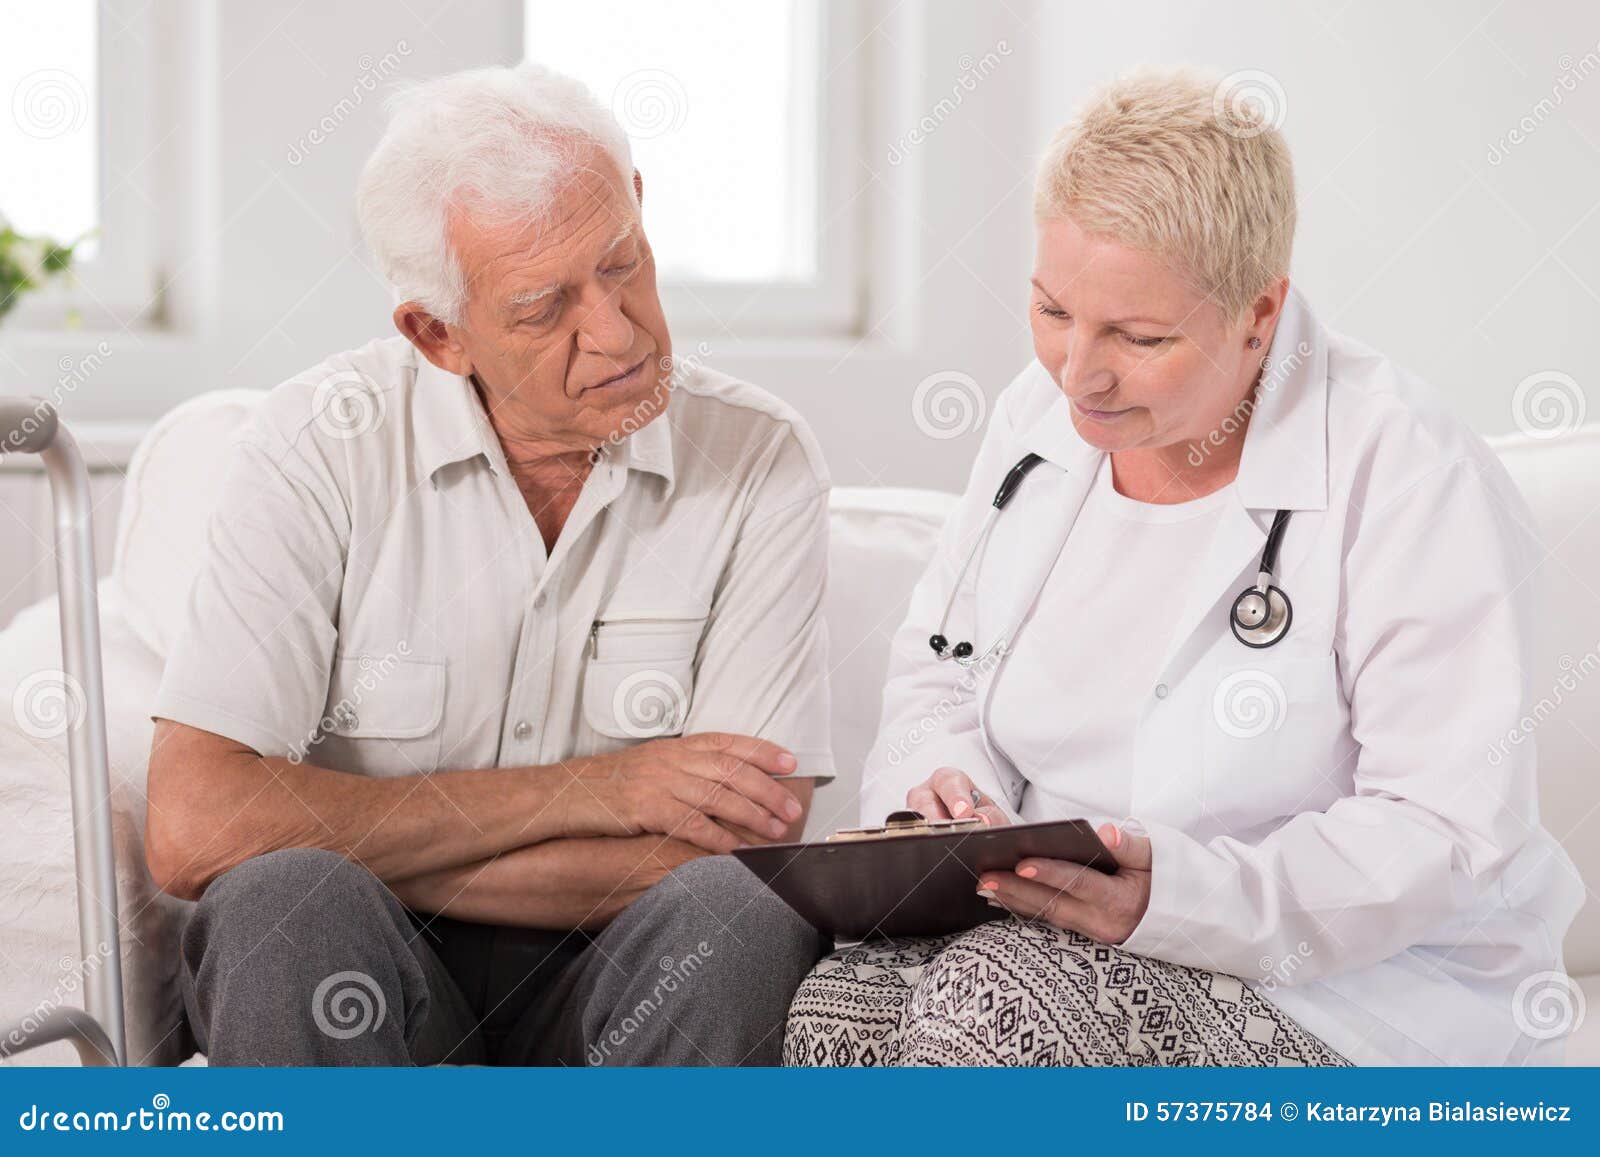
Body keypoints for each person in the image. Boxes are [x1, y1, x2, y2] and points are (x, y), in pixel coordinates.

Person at [785, 69, 1582, 1067]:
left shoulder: (1407, 469)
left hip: (1356, 986)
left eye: (1140, 336)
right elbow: (944, 663)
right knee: (836, 1004)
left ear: (1259, 313)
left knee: (991, 1003)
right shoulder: (1039, 429)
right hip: (1047, 925)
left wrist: (1175, 894)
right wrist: (941, 797)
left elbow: (1443, 829)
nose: (1079, 373)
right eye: (1051, 310)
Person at [145, 62, 834, 1066]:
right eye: (544, 307)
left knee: (738, 912)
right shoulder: (316, 444)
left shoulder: (759, 458)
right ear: (438, 333)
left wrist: (375, 835)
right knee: (285, 898)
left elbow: (738, 841)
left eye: (621, 261)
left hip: (628, 977)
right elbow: (198, 827)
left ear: (638, 207)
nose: (616, 331)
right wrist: (602, 790)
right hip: (365, 972)